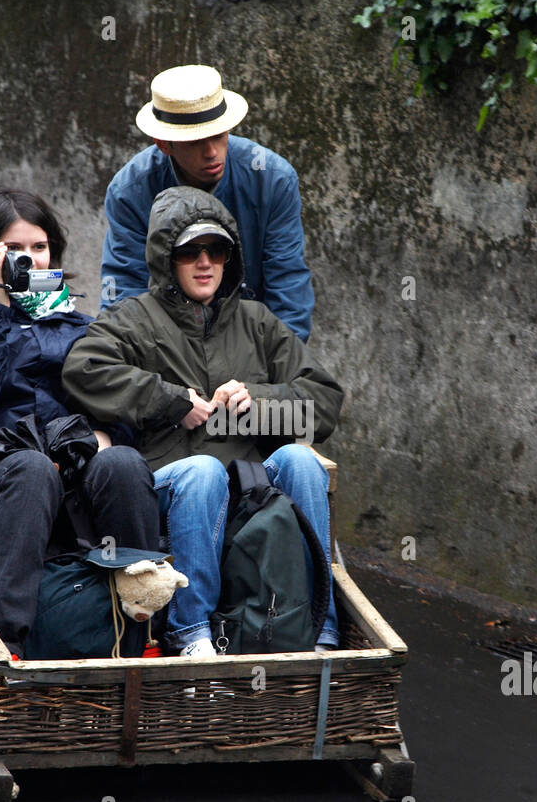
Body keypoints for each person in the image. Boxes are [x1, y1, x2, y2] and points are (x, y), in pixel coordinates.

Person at [64, 186, 343, 657]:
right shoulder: (134, 319)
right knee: (203, 471)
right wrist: (171, 401)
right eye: (189, 251)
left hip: (249, 489)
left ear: (229, 258)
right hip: (172, 486)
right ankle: (190, 632)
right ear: (165, 260)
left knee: (301, 459)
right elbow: (83, 370)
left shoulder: (258, 322)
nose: (205, 262)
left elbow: (323, 404)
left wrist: (258, 401)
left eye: (216, 250)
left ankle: (322, 629)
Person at [0, 188, 160, 659]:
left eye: (38, 248)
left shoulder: (81, 327)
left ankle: (141, 640)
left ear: (54, 253)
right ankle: (1, 646)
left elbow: (121, 401)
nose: (28, 260)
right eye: (13, 249)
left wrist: (108, 435)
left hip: (75, 467)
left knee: (125, 463)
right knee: (31, 468)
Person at [100, 64, 316, 342]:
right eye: (195, 142)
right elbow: (124, 289)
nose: (212, 152)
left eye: (218, 135)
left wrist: (280, 370)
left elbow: (288, 283)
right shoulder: (129, 190)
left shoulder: (272, 179)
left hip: (254, 344)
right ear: (164, 144)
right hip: (166, 346)